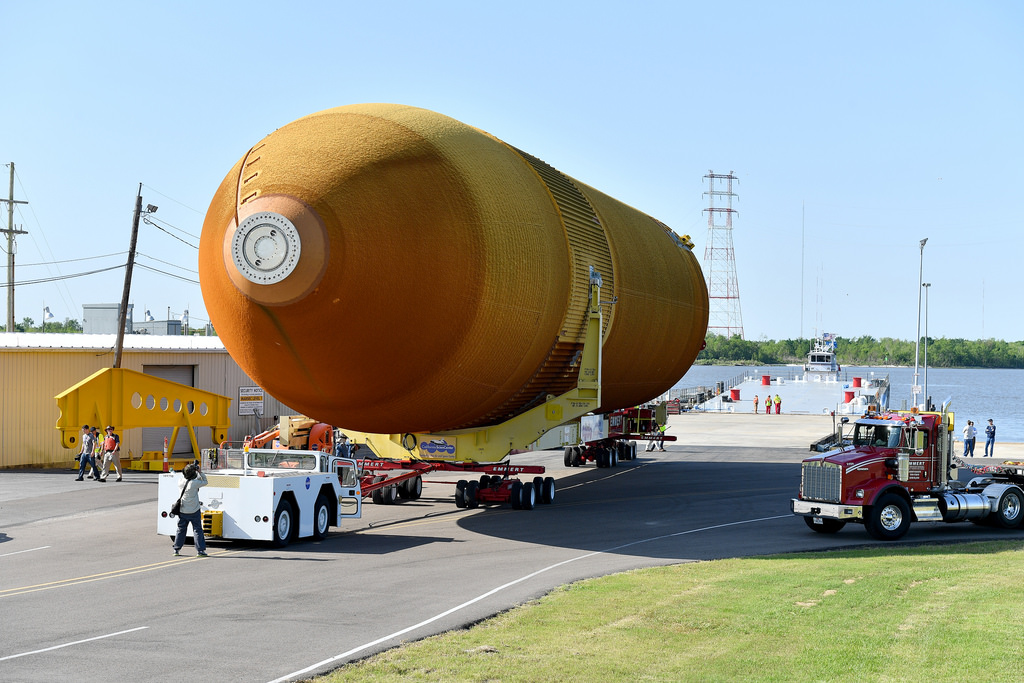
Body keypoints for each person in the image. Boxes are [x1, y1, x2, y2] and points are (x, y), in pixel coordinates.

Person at [173, 461, 209, 557]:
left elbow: (187, 478)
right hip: (194, 510)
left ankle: (176, 549)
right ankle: (200, 551)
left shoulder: (180, 482)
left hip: (182, 510)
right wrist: (199, 472)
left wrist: (192, 470)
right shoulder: (194, 483)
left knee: (181, 529)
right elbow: (205, 481)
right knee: (197, 530)